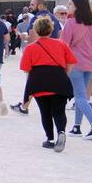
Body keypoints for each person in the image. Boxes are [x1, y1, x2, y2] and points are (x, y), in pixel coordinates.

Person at [20, 16, 77, 151]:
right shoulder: (61, 44)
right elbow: (71, 62)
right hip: (59, 78)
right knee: (59, 111)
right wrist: (64, 74)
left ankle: (50, 139)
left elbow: (26, 69)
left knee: (45, 112)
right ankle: (61, 132)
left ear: (36, 30)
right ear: (51, 29)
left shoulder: (30, 48)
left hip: (39, 81)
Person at [60, 0, 92, 140]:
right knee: (81, 96)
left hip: (75, 64)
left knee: (79, 96)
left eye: (70, 4)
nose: (68, 6)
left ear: (77, 6)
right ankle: (76, 127)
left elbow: (64, 45)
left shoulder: (70, 23)